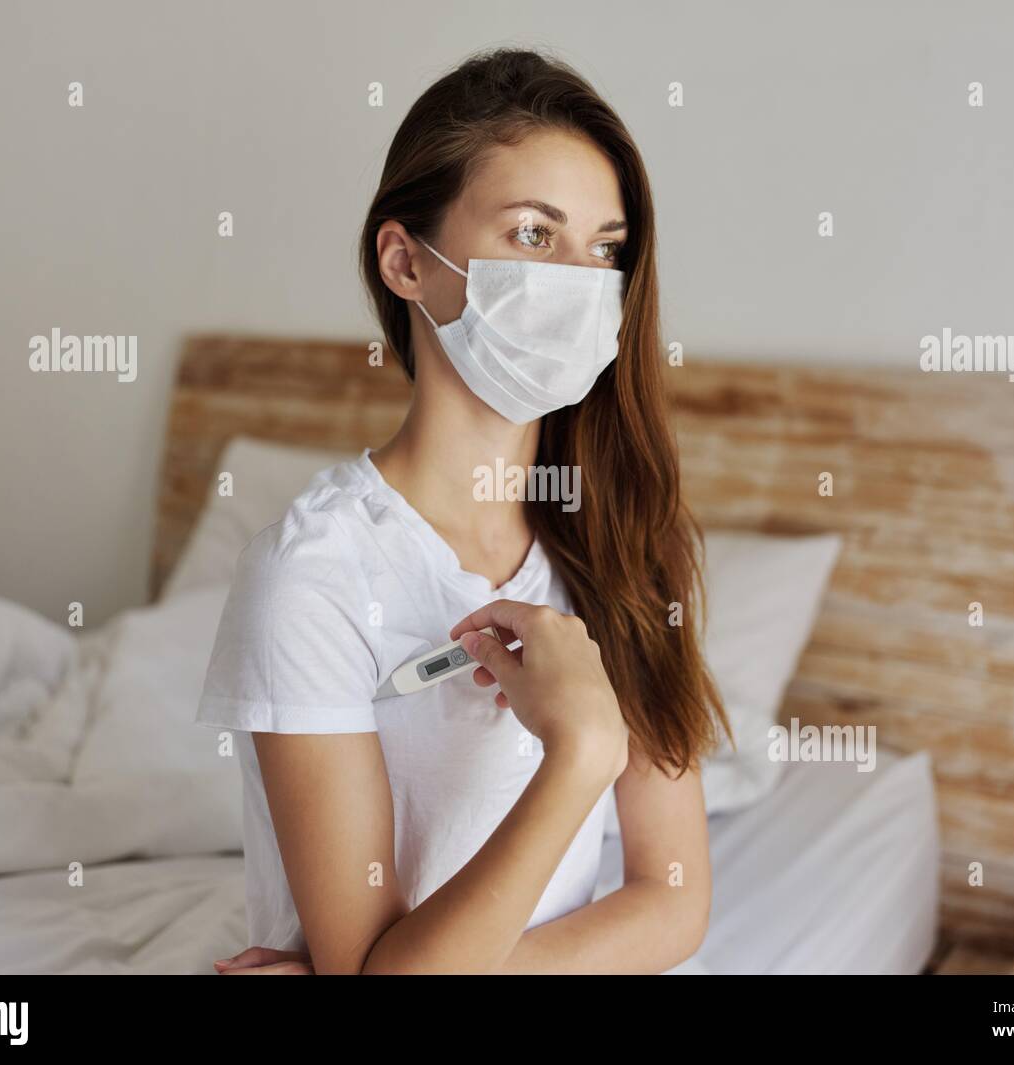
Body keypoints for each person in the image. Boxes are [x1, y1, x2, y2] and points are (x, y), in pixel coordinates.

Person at [197, 46, 731, 975]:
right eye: (534, 234)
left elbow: (673, 898)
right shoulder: (313, 575)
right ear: (407, 261)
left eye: (605, 248)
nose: (581, 281)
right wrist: (582, 751)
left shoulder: (626, 542)